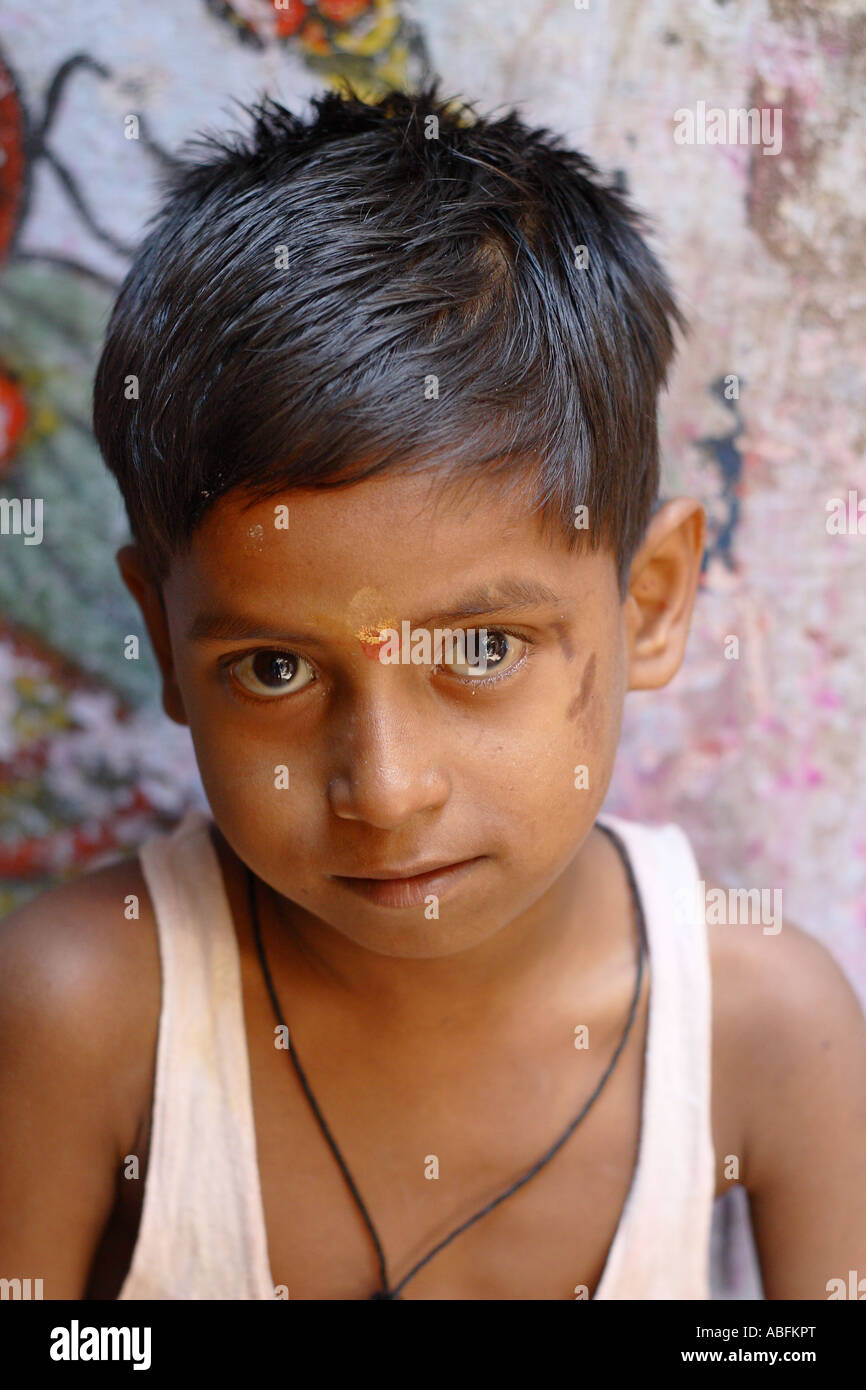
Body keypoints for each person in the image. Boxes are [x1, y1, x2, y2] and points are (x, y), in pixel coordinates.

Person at [1, 82, 863, 1302]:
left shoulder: (765, 1027)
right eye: (276, 668)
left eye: (479, 650)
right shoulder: (83, 1008)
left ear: (653, 601)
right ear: (163, 635)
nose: (385, 789)